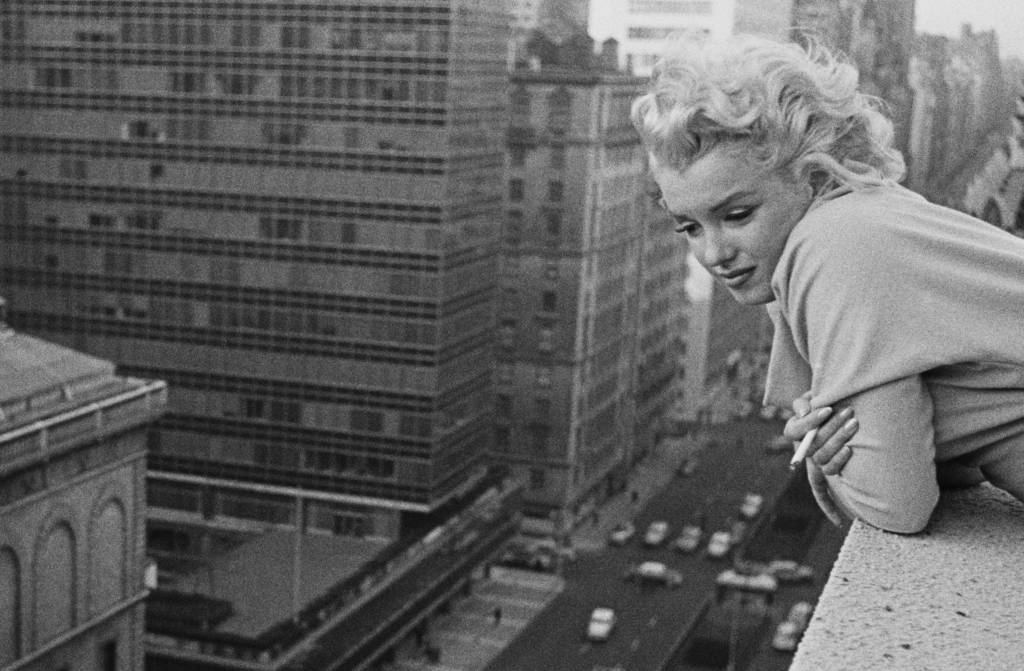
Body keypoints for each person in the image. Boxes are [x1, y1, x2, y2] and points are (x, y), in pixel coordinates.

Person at [631, 32, 1024, 534]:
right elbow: (960, 466)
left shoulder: (837, 246)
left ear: (813, 178)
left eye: (737, 214)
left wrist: (825, 455)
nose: (713, 253)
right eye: (689, 227)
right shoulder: (864, 217)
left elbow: (897, 506)